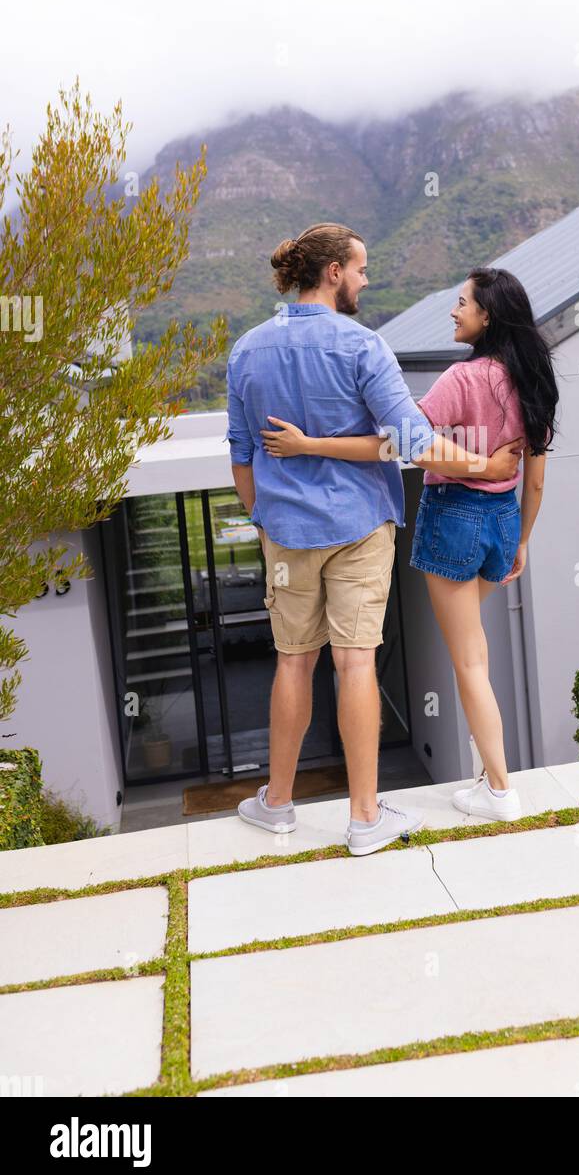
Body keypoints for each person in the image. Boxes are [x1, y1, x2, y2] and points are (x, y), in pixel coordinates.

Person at [225, 222, 523, 857]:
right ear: (332, 271)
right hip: (360, 529)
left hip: (286, 533)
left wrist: (264, 518)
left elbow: (242, 457)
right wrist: (487, 468)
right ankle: (365, 819)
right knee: (355, 662)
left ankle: (277, 804)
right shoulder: (364, 347)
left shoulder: (246, 351)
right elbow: (413, 443)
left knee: (292, 660)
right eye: (361, 269)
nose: (366, 279)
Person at [264, 265, 558, 823]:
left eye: (463, 303)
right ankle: (487, 779)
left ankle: (499, 790)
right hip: (501, 522)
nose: (453, 310)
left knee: (470, 663)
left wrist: (310, 444)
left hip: (454, 519)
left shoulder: (462, 380)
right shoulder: (532, 379)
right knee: (476, 653)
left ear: (488, 316)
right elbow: (536, 479)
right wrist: (522, 540)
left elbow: (394, 445)